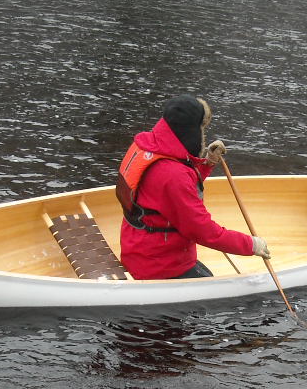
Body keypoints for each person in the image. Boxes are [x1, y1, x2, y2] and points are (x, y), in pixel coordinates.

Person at [116, 95, 270, 280]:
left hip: (139, 249)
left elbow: (171, 192)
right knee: (213, 290)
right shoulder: (173, 175)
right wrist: (251, 245)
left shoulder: (147, 147)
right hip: (159, 266)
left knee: (205, 273)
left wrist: (207, 162)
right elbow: (202, 230)